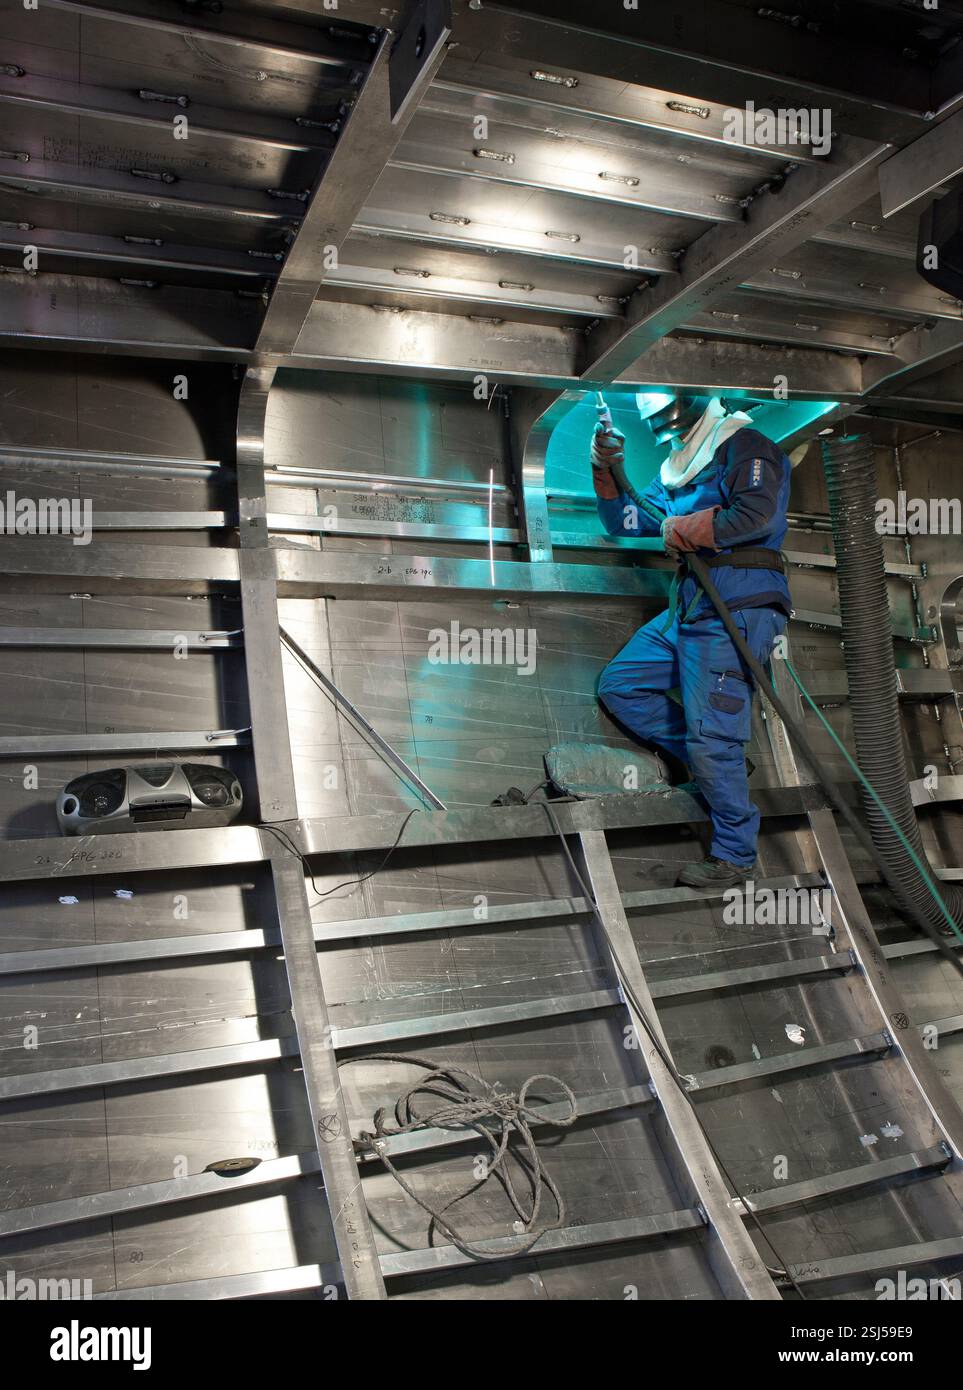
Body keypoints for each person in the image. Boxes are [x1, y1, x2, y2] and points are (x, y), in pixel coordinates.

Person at [592, 394, 792, 888]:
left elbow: (756, 517)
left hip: (736, 608)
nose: (667, 428)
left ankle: (735, 856)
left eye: (669, 417)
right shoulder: (680, 464)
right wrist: (606, 468)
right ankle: (715, 762)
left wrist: (681, 528)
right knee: (621, 686)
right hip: (691, 605)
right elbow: (629, 522)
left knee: (713, 737)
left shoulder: (744, 445)